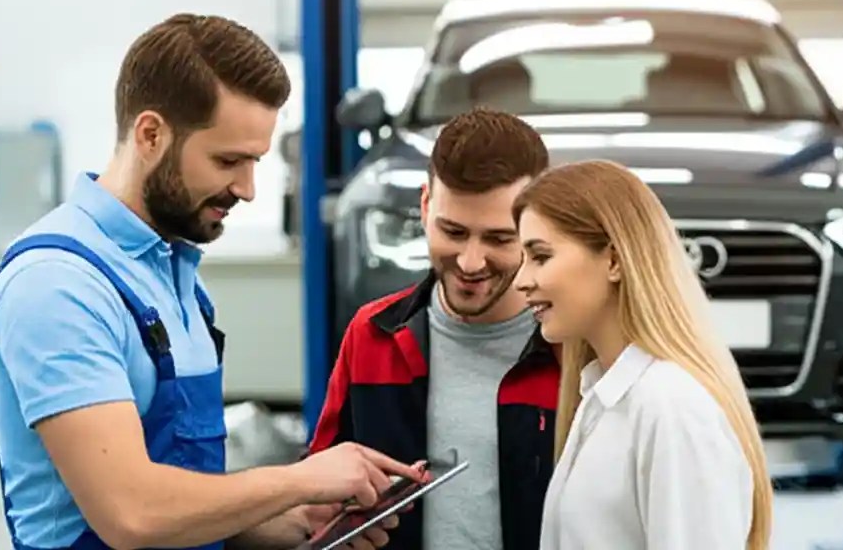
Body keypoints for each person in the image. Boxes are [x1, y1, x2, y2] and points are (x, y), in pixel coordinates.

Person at [0, 13, 425, 550]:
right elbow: (132, 513)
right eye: (228, 160)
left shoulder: (179, 282)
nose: (247, 188)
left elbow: (187, 513)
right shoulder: (58, 286)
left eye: (255, 162)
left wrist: (300, 521)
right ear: (150, 135)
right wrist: (299, 480)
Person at [309, 107, 560, 550]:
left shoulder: (572, 347)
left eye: (498, 238)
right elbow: (317, 493)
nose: (470, 262)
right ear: (426, 207)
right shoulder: (372, 336)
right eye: (454, 232)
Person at [511, 160, 773, 550]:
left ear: (614, 261)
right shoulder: (602, 398)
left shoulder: (671, 408)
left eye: (540, 256)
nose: (521, 281)